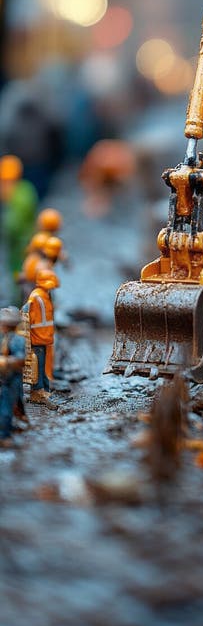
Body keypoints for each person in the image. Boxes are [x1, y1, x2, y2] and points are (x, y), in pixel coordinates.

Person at [0, 155, 38, 295]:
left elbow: (13, 225)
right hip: (18, 243)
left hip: (22, 242)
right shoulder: (25, 189)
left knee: (21, 272)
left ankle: (22, 302)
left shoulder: (20, 195)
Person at [23, 268, 59, 409]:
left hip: (43, 339)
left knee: (41, 368)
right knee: (37, 369)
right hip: (37, 340)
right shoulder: (36, 297)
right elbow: (25, 316)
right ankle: (37, 394)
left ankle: (43, 392)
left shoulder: (44, 295)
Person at [0, 306, 28, 447]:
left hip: (13, 377)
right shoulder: (4, 338)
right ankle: (8, 427)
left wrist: (4, 361)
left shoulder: (17, 340)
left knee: (6, 406)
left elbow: (20, 359)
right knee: (9, 403)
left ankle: (4, 436)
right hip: (5, 377)